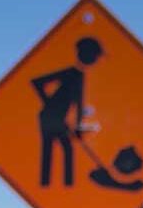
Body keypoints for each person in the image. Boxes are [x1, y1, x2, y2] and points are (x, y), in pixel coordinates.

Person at [31, 38, 104, 187]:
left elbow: (79, 104)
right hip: (48, 118)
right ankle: (50, 184)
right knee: (51, 149)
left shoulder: (80, 76)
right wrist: (49, 104)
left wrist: (77, 126)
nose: (95, 59)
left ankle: (64, 184)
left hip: (57, 118)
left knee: (67, 149)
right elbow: (37, 82)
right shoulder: (71, 73)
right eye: (94, 56)